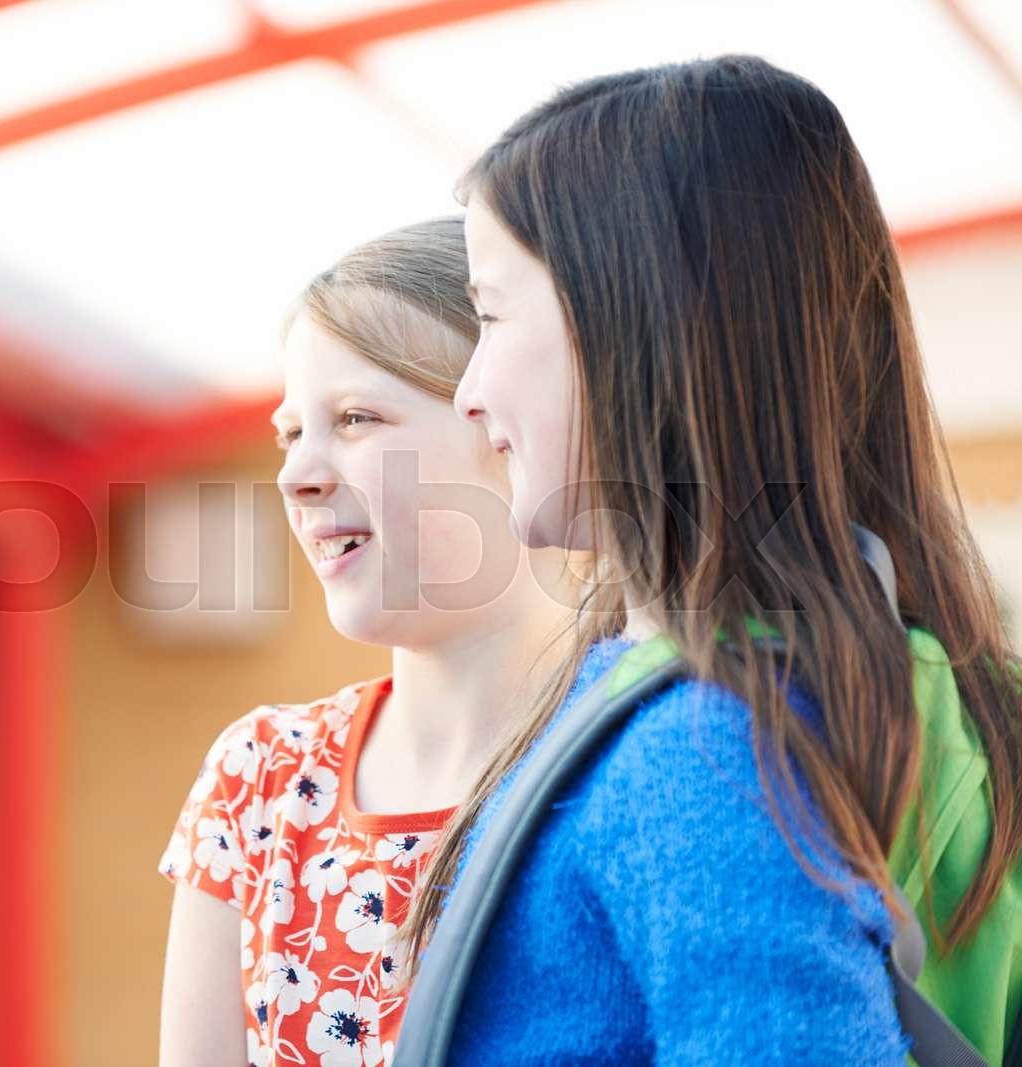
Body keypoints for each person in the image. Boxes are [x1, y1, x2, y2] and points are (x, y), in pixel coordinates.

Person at [400, 55, 1022, 1063]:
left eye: (492, 312)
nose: (468, 389)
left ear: (636, 321)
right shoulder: (813, 696)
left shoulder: (705, 746)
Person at [158, 218, 567, 1066]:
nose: (296, 473)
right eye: (289, 432)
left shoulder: (637, 753)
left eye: (355, 417)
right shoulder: (259, 783)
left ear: (509, 429)